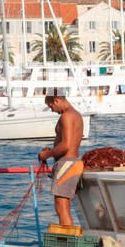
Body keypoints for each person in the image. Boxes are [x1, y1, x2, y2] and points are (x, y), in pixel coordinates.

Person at [38, 87, 85, 227]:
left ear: (56, 100)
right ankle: (70, 239)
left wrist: (46, 154)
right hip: (74, 163)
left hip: (66, 164)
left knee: (61, 208)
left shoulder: (66, 116)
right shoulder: (77, 115)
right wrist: (52, 150)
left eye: (51, 106)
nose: (52, 110)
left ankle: (69, 241)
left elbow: (65, 146)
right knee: (64, 207)